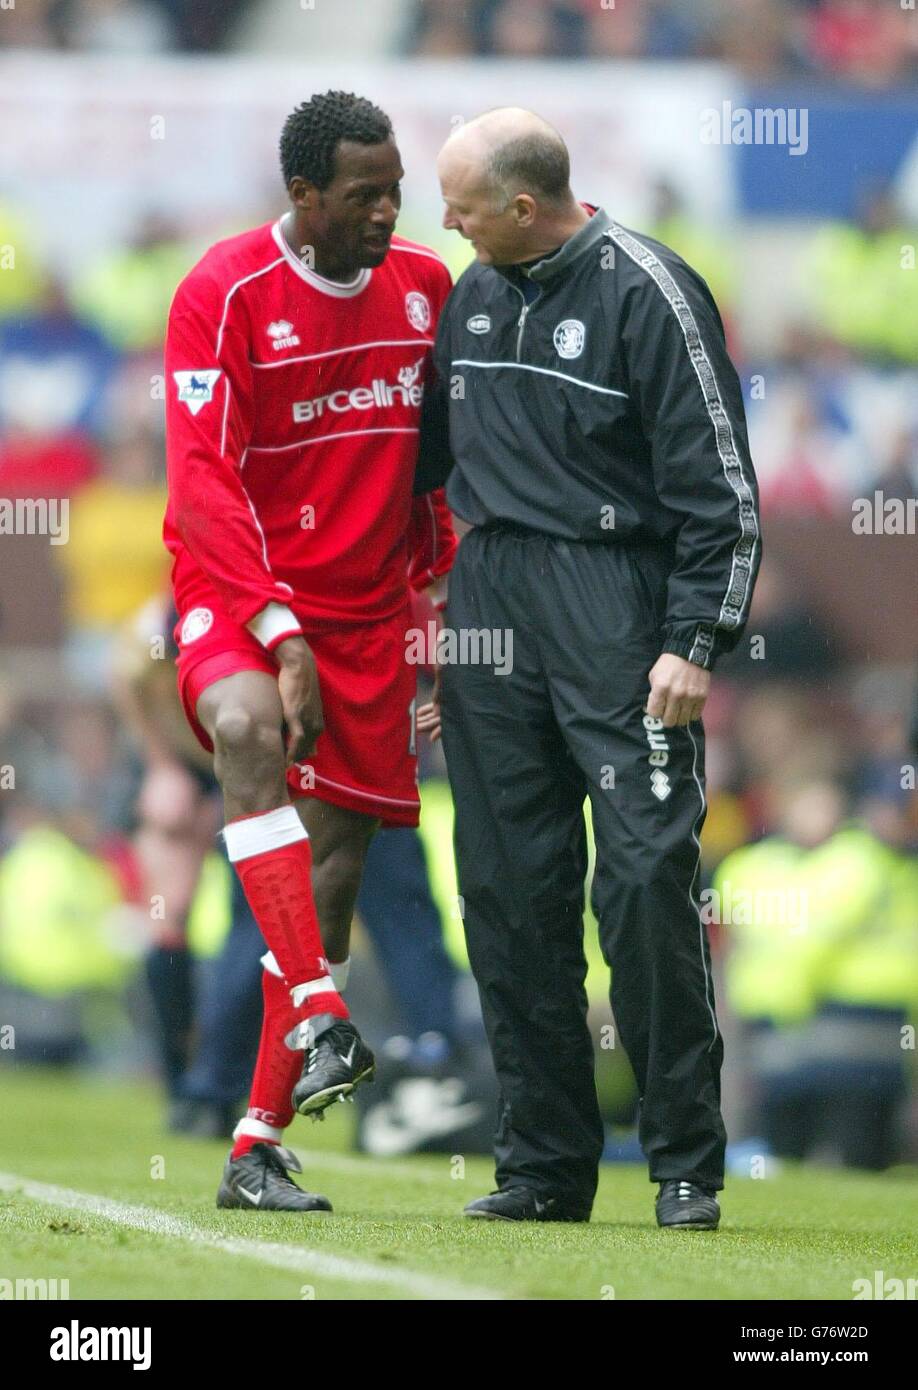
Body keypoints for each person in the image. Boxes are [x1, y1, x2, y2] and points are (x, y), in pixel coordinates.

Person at [419, 107, 761, 1229]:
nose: (446, 221)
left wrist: (694, 639)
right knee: (508, 892)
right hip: (491, 601)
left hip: (618, 608)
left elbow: (725, 493)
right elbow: (425, 474)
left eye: (461, 204)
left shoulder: (651, 294)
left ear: (523, 207)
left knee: (645, 879)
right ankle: (546, 1166)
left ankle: (684, 1166)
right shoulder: (467, 295)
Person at [164, 90, 455, 1212]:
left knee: (330, 893)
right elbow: (201, 478)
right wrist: (276, 627)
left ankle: (255, 1144)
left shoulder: (426, 291)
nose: (388, 211)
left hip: (370, 616)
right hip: (238, 586)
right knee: (244, 726)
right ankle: (328, 1017)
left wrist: (426, 628)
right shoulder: (222, 292)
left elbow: (431, 478)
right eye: (363, 194)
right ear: (304, 193)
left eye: (397, 190)